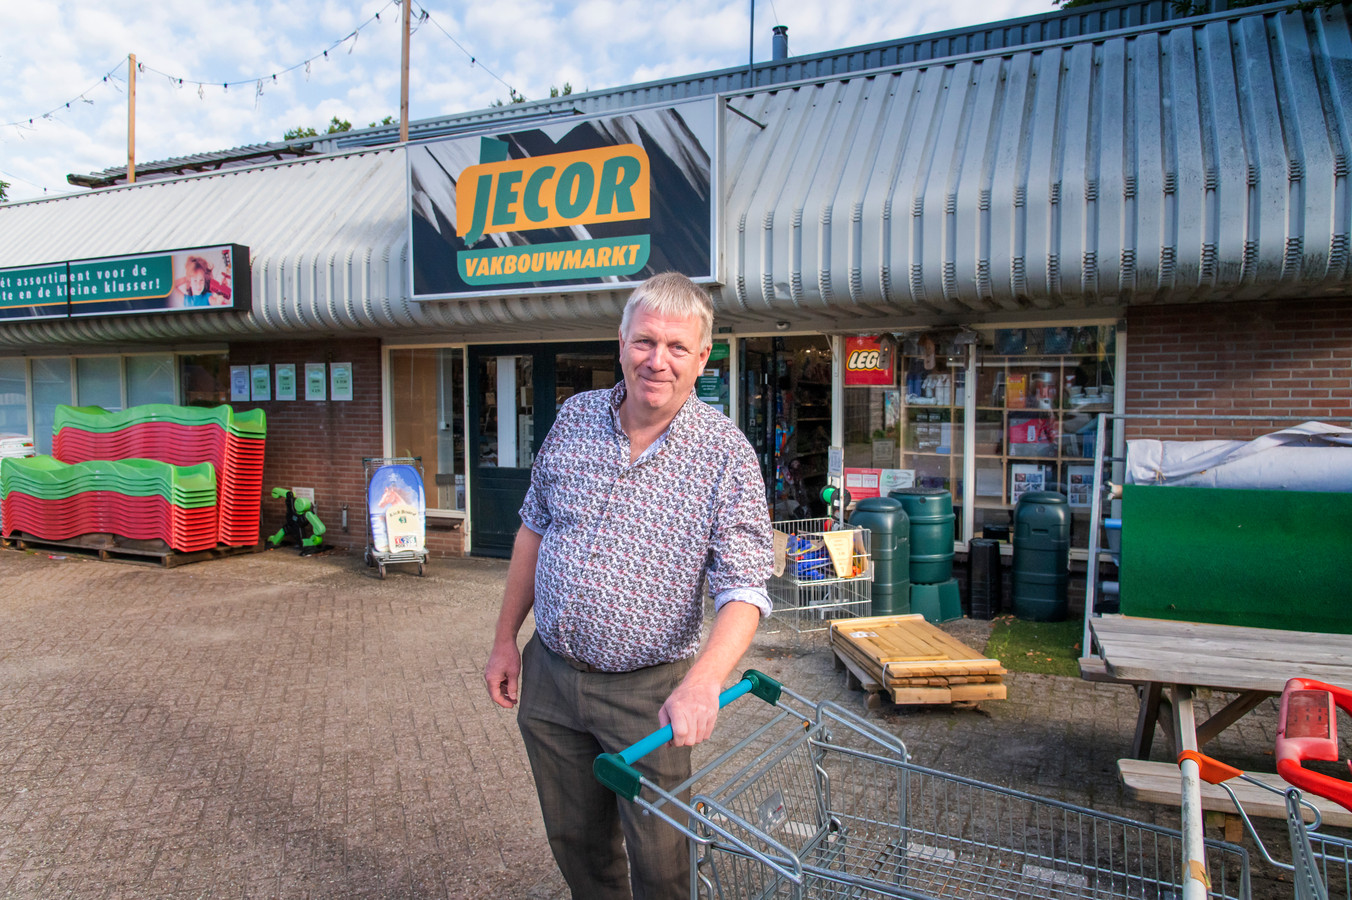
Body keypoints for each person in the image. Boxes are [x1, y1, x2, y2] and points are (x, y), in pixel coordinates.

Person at [483, 272, 773, 900]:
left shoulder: (726, 455)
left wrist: (704, 683)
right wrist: (506, 639)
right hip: (551, 679)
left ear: (702, 358)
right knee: (577, 844)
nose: (656, 360)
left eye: (676, 347)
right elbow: (534, 527)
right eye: (645, 341)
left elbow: (745, 588)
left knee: (663, 863)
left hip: (650, 698)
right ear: (621, 343)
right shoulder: (574, 418)